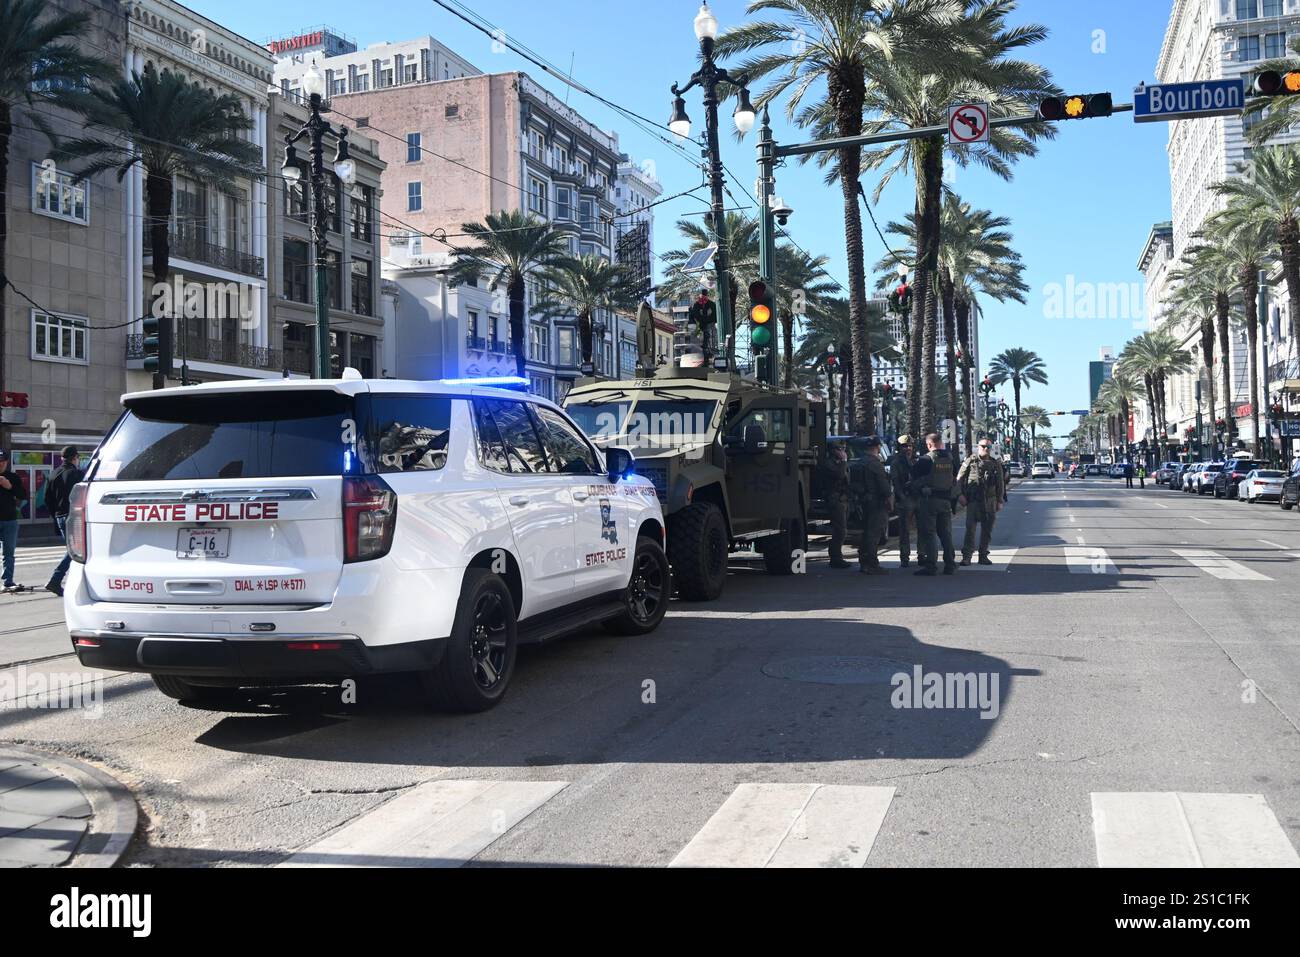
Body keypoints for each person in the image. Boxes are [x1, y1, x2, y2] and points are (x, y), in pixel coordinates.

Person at [908, 432, 958, 576]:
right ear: (940, 443)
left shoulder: (925, 459)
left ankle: (931, 565)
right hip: (946, 501)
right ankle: (950, 564)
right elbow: (954, 476)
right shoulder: (949, 457)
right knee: (945, 534)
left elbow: (913, 478)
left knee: (929, 533)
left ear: (929, 444)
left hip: (930, 501)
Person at [957, 438, 1006, 566]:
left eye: (988, 447)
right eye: (983, 446)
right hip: (973, 501)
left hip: (990, 501)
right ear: (978, 446)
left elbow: (1000, 483)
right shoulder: (970, 461)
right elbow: (959, 479)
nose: (986, 449)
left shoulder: (995, 464)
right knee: (970, 530)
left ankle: (983, 555)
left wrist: (1000, 500)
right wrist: (960, 495)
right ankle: (967, 556)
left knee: (987, 530)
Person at [44, 446, 84, 597]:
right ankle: (55, 579)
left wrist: (55, 515)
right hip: (73, 516)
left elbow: (48, 498)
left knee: (73, 549)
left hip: (59, 515)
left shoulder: (53, 474)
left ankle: (58, 579)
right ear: (75, 457)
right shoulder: (76, 474)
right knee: (76, 550)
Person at [859, 435, 893, 575]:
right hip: (876, 502)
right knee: (874, 533)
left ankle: (864, 561)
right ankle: (871, 564)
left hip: (864, 501)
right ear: (877, 447)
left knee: (866, 532)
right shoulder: (874, 463)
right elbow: (884, 486)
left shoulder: (861, 462)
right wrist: (889, 499)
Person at [0, 451, 30, 593]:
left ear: (6, 462)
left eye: (3, 461)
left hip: (9, 520)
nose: (0, 464)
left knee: (8, 552)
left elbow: (23, 495)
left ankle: (8, 581)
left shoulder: (13, 477)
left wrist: (9, 486)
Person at [887, 435, 917, 568]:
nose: (908, 448)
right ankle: (905, 557)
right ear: (900, 448)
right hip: (905, 498)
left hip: (918, 498)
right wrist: (902, 497)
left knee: (922, 528)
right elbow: (896, 482)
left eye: (910, 446)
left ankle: (922, 555)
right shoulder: (896, 463)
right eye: (905, 446)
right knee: (904, 531)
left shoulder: (916, 460)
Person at [823, 441, 852, 569]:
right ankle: (835, 558)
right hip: (834, 499)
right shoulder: (829, 463)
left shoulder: (839, 463)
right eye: (839, 449)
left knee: (842, 530)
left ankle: (837, 556)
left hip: (843, 499)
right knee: (840, 530)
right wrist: (844, 461)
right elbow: (839, 475)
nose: (842, 451)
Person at [686, 288, 718, 360]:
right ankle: (705, 349)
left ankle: (707, 349)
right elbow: (696, 314)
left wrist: (706, 320)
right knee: (706, 337)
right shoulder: (698, 304)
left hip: (707, 324)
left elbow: (713, 314)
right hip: (704, 324)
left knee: (707, 336)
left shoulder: (710, 304)